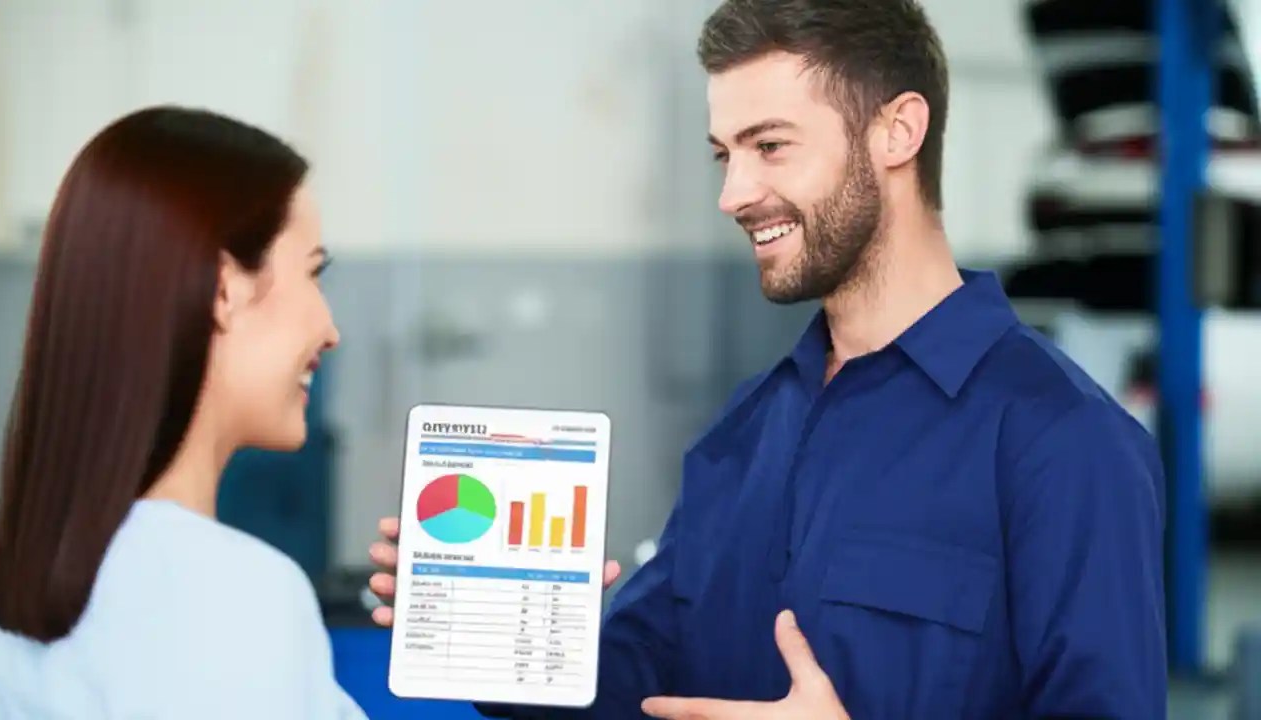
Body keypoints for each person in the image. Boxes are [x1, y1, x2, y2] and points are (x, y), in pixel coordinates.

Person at [369, 0, 1168, 717]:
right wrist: (486, 634)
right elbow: (638, 679)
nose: (734, 193)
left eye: (771, 146)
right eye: (725, 154)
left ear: (899, 132)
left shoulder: (1064, 442)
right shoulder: (747, 429)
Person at [0, 106, 367, 719]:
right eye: (313, 273)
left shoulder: (30, 604)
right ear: (223, 289)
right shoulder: (237, 592)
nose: (329, 328)